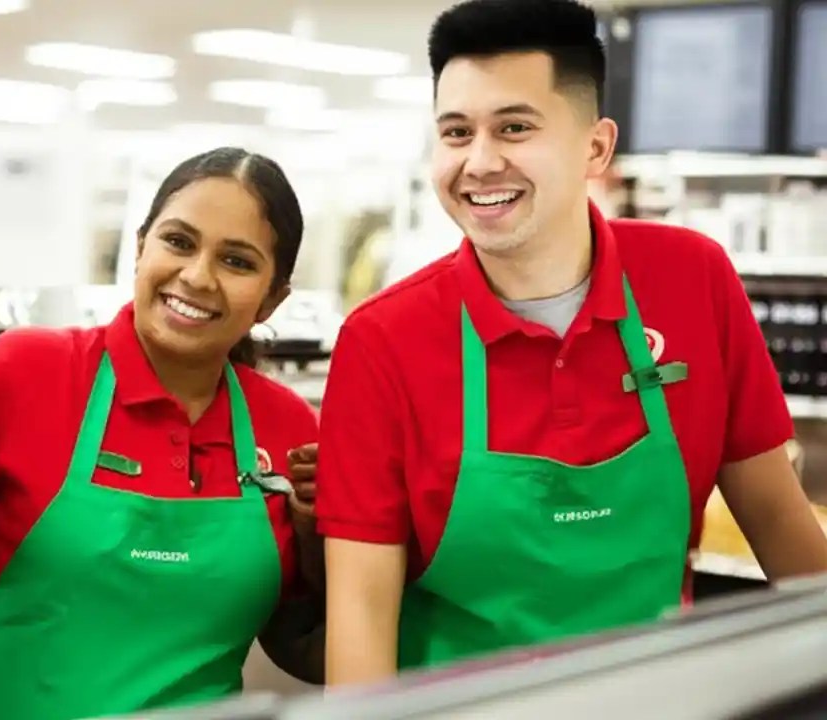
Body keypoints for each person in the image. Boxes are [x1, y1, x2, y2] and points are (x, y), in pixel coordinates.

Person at [316, 0, 827, 686]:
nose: (480, 161)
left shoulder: (692, 280)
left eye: (515, 127)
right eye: (457, 132)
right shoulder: (383, 341)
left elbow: (778, 523)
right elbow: (361, 618)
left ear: (596, 146)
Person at [0, 147, 323, 720]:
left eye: (237, 261)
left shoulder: (288, 428)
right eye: (179, 242)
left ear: (272, 299)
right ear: (139, 249)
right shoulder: (23, 375)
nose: (197, 275)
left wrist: (317, 542)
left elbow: (305, 646)